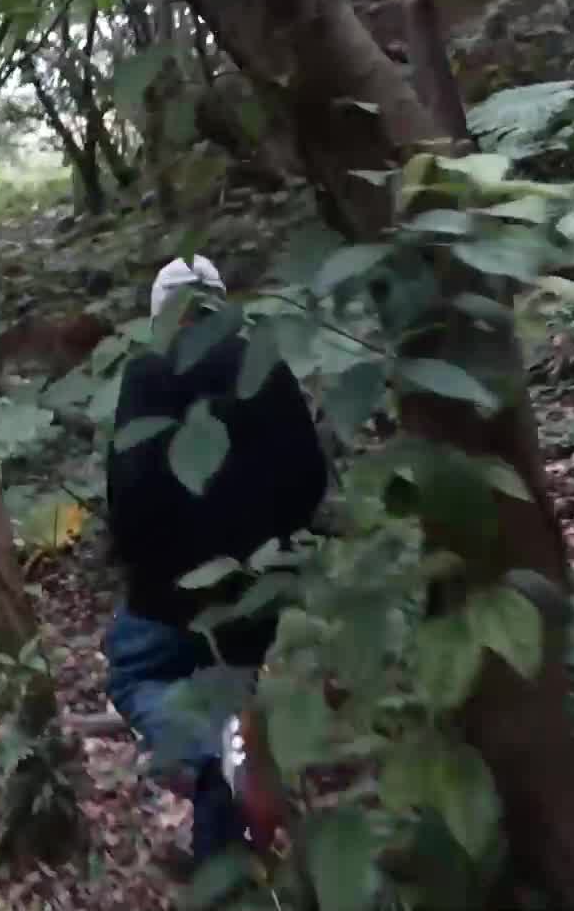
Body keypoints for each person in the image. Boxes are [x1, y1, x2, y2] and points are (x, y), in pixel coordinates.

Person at [103, 255, 329, 867]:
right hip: (256, 595)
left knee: (132, 675)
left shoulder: (149, 370)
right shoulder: (263, 363)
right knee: (233, 703)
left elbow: (130, 490)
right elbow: (310, 476)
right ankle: (226, 858)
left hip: (169, 597)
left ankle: (209, 760)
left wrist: (143, 567)